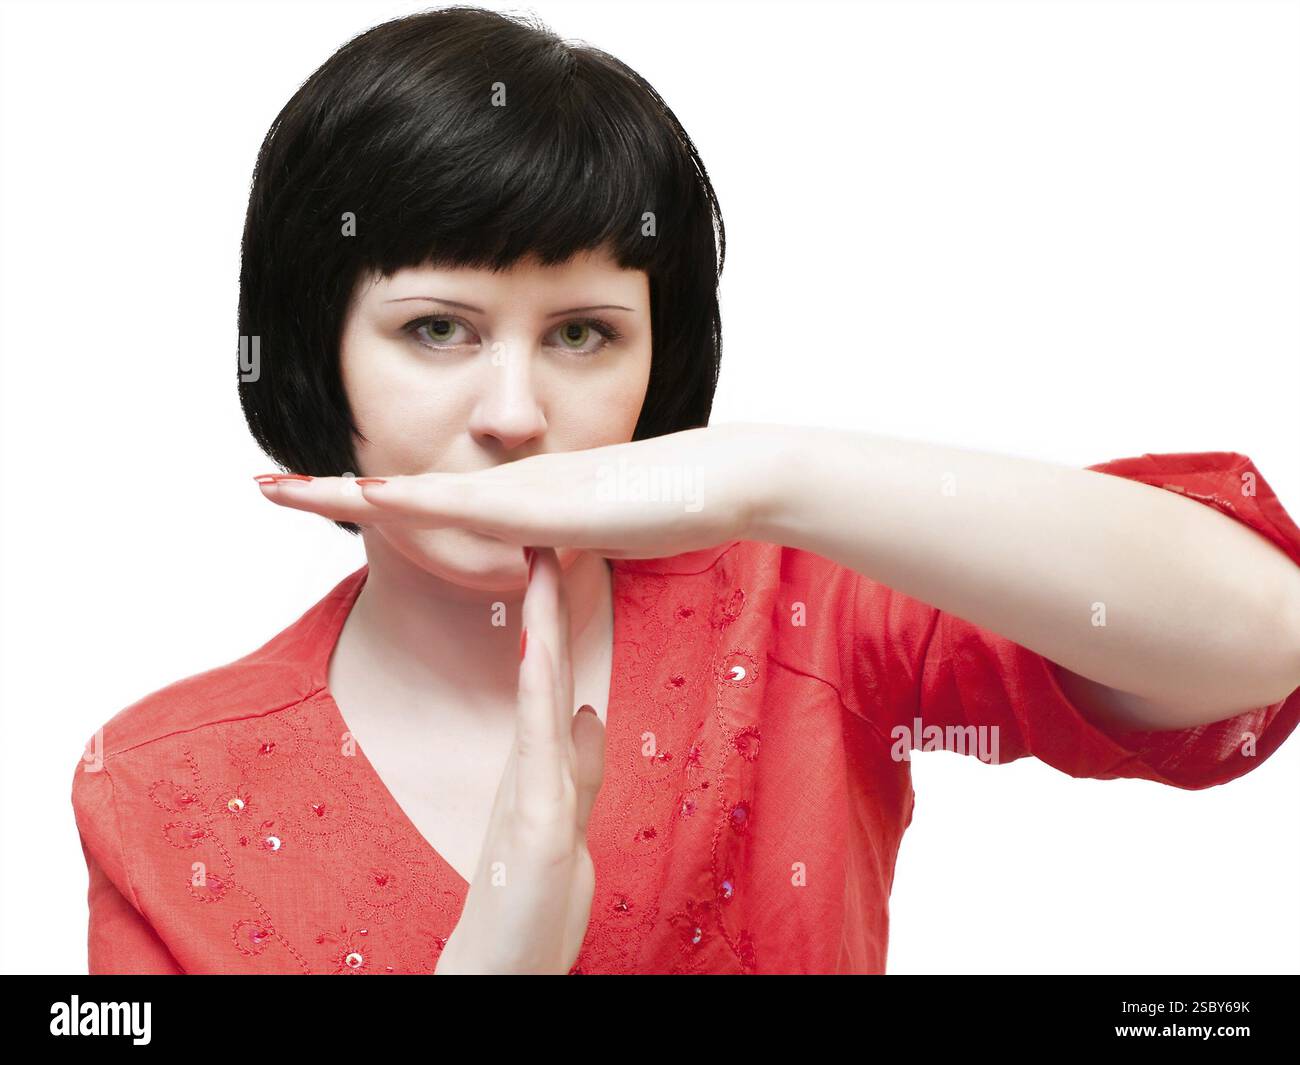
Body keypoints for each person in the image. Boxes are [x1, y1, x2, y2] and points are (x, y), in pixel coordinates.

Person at [71, 6, 1300, 975]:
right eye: (438, 328)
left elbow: (1261, 633)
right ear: (313, 345)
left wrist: (765, 476)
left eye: (585, 335)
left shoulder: (807, 610)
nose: (513, 414)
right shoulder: (160, 788)